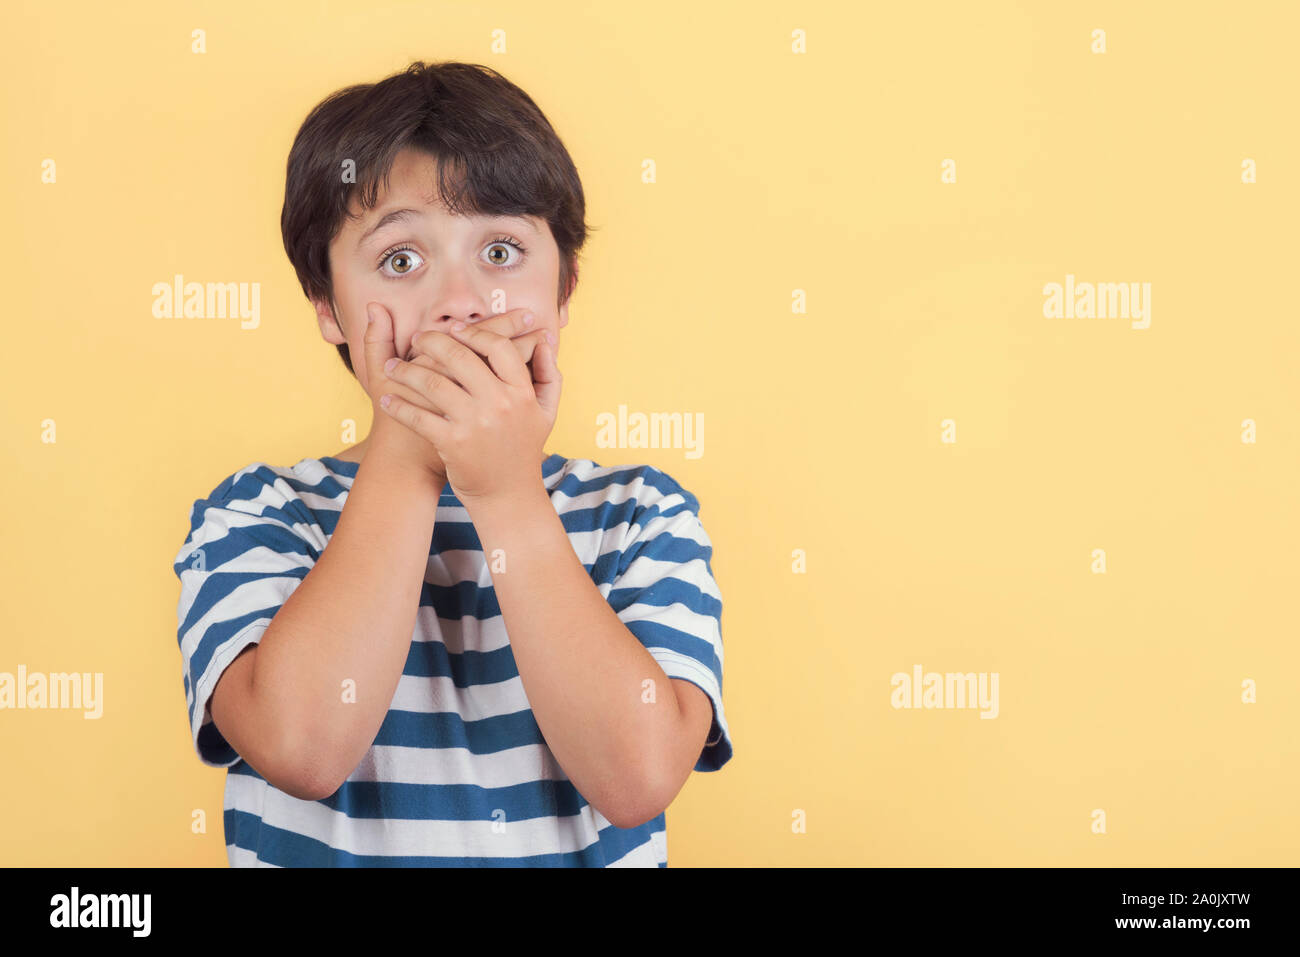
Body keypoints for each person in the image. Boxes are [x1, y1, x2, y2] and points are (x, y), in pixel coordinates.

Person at [171, 60, 732, 866]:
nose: (458, 301)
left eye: (501, 250)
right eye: (401, 261)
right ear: (328, 305)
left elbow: (638, 776)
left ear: (566, 286)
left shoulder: (638, 514)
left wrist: (505, 491)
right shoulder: (256, 514)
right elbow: (301, 747)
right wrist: (409, 447)